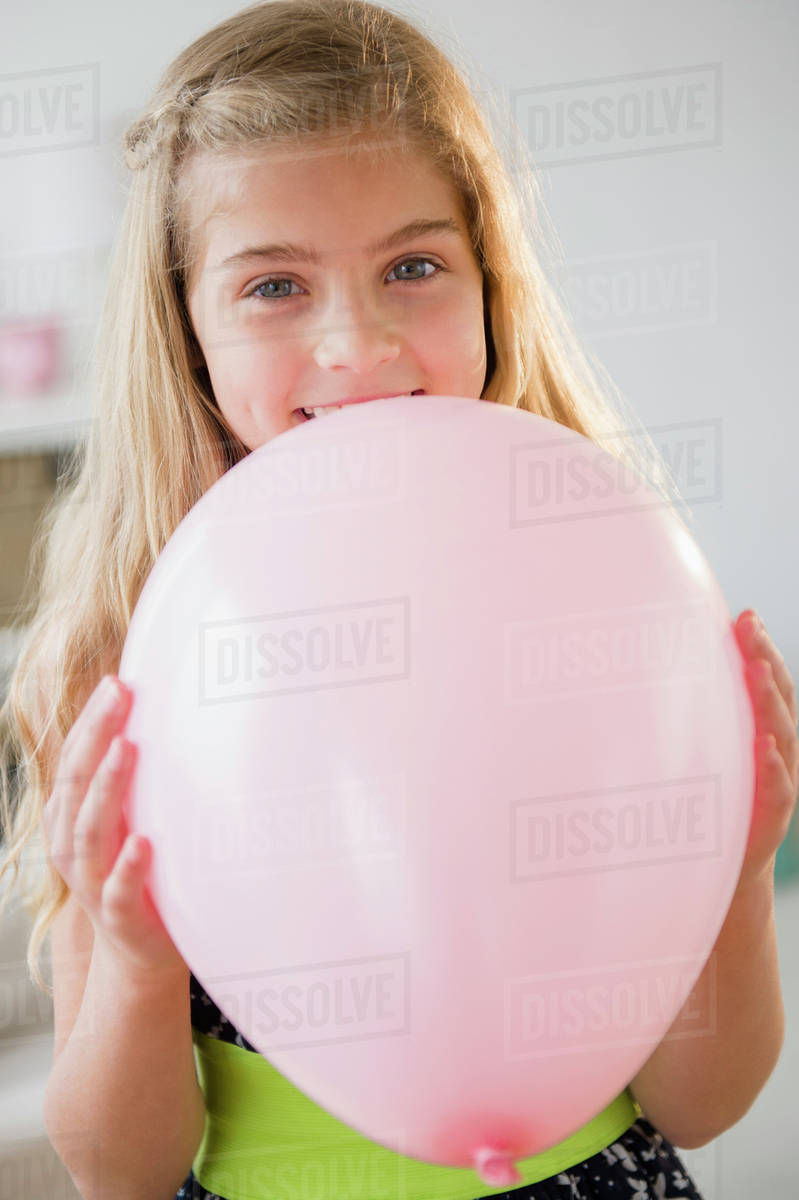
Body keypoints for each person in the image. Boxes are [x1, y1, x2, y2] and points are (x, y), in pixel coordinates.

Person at [0, 2, 795, 1198]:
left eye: (412, 268)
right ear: (187, 332)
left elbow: (702, 1097)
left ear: (490, 286)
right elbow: (121, 1169)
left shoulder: (598, 602)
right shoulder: (120, 665)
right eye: (273, 286)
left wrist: (732, 872)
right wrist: (135, 961)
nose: (357, 347)